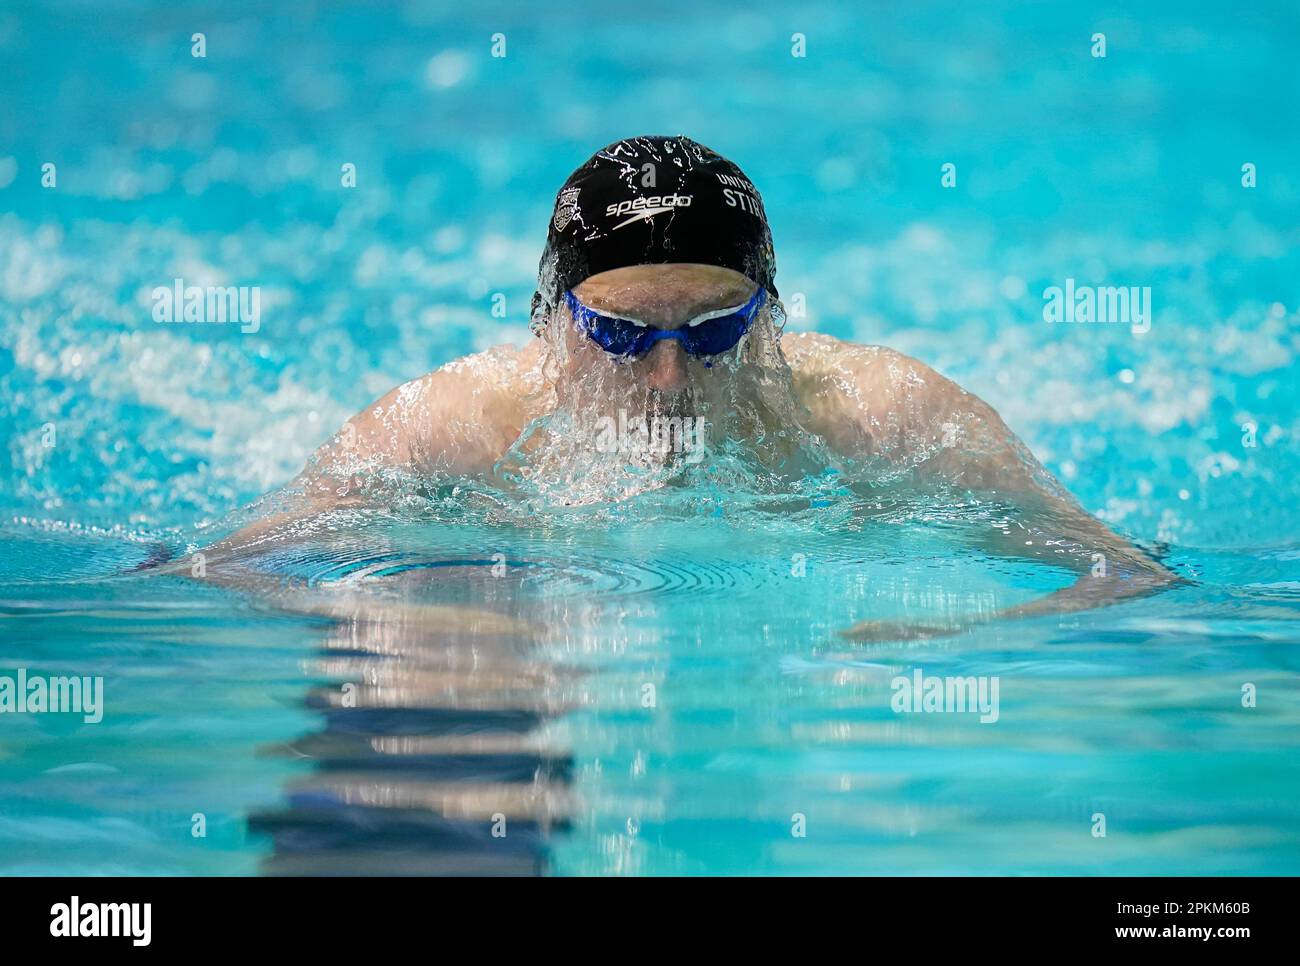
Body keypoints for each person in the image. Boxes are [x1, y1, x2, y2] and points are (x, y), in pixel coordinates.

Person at [204, 135, 1179, 638]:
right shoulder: (446, 427)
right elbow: (222, 569)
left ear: (769, 315)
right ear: (552, 322)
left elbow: (1126, 572)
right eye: (622, 336)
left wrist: (952, 632)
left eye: (712, 329)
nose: (669, 377)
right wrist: (423, 625)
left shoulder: (889, 418)